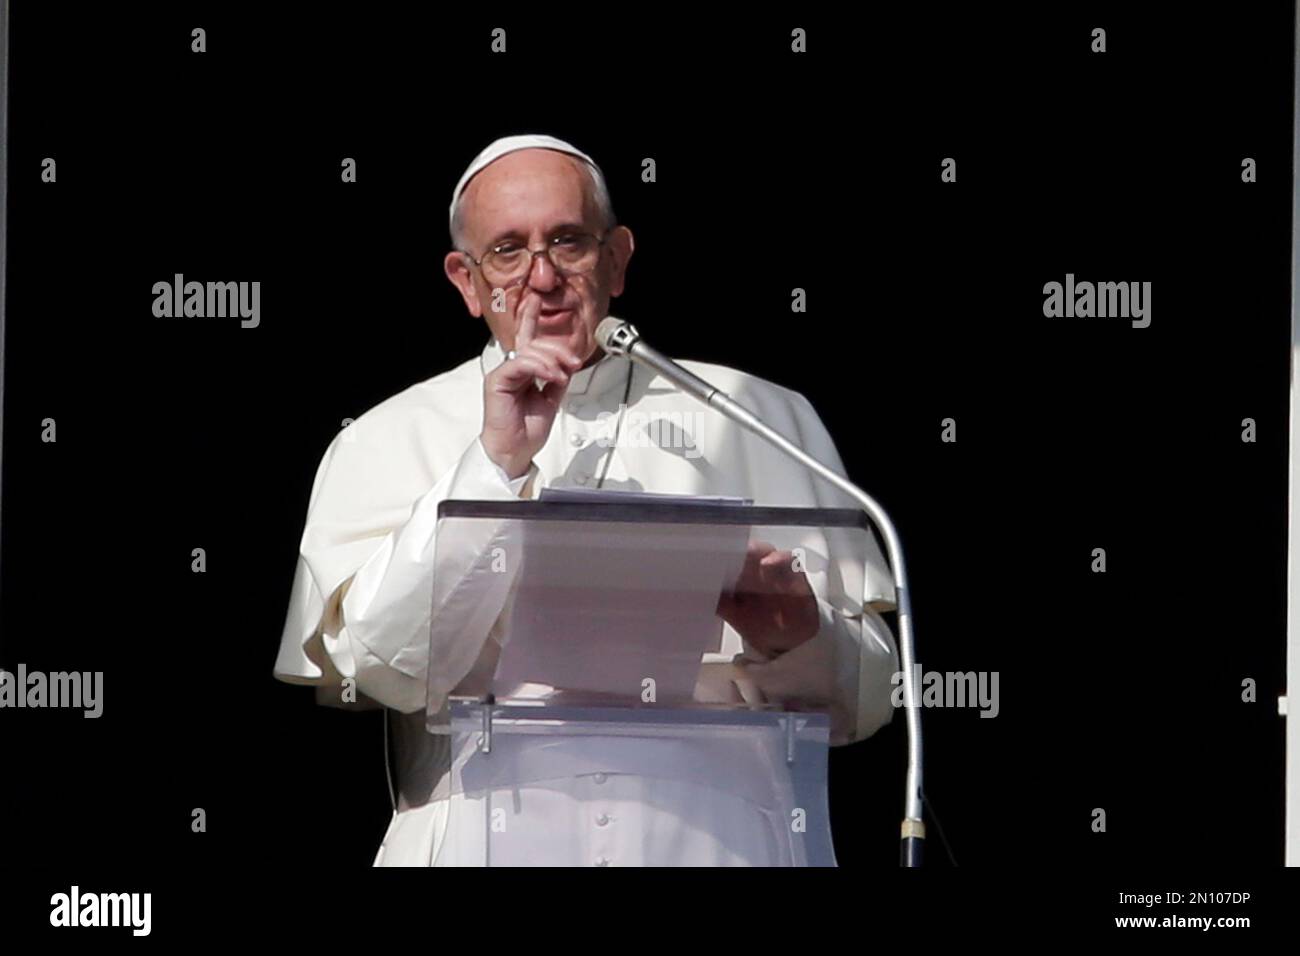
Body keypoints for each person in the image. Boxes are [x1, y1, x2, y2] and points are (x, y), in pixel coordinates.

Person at [273, 134, 900, 865]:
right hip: (481, 839)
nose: (543, 278)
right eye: (507, 251)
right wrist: (495, 463)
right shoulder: (386, 435)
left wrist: (799, 632)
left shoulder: (757, 417)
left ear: (618, 259)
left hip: (720, 841)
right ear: (466, 282)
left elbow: (870, 702)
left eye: (567, 241)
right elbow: (383, 669)